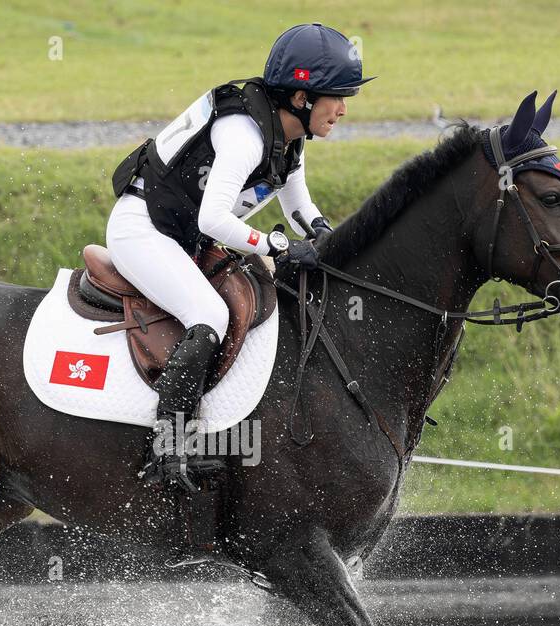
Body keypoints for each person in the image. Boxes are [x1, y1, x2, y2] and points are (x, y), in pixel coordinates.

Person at [107, 22, 373, 493]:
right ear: (301, 97)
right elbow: (213, 219)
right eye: (337, 97)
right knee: (208, 313)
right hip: (142, 229)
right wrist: (276, 246)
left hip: (184, 234)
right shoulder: (244, 134)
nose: (344, 109)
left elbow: (298, 204)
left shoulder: (289, 134)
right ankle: (165, 447)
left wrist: (325, 237)